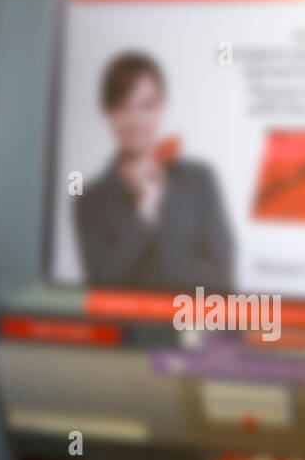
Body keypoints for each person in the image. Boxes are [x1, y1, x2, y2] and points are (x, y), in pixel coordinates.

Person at [75, 52, 234, 293]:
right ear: (107, 112)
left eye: (146, 106)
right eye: (123, 107)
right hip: (126, 329)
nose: (135, 120)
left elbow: (221, 275)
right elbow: (102, 283)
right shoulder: (89, 200)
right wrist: (144, 213)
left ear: (163, 106)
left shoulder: (199, 180)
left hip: (193, 326)